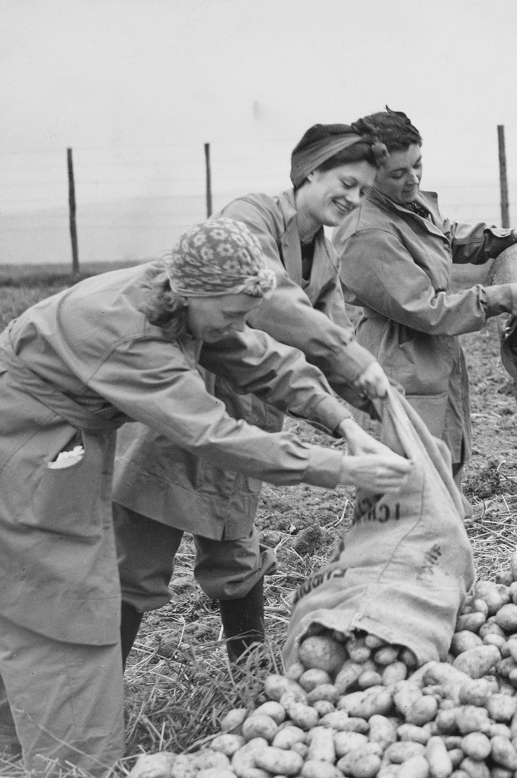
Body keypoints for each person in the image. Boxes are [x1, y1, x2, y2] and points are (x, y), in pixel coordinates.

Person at [0, 217, 411, 773]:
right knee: (63, 602)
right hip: (24, 444)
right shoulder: (129, 333)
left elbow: (259, 357)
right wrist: (336, 469)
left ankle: (14, 731)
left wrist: (342, 421)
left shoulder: (182, 299)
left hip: (64, 438)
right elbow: (211, 433)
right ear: (196, 294)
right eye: (232, 312)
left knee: (44, 593)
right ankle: (70, 775)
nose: (237, 325)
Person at [113, 124, 392, 666]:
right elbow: (275, 306)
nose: (353, 199)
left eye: (362, 192)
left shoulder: (323, 252)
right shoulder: (251, 216)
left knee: (235, 548)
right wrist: (350, 362)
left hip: (252, 417)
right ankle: (97, 697)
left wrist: (377, 406)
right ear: (311, 170)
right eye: (346, 182)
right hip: (189, 401)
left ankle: (246, 673)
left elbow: (335, 342)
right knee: (139, 557)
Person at [338, 109, 517, 499]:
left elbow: (442, 234)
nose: (412, 179)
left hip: (433, 356)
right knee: (406, 483)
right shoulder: (367, 232)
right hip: (399, 359)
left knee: (444, 465)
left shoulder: (408, 203)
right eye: (398, 174)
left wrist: (499, 238)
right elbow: (424, 308)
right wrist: (498, 298)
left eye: (417, 165)